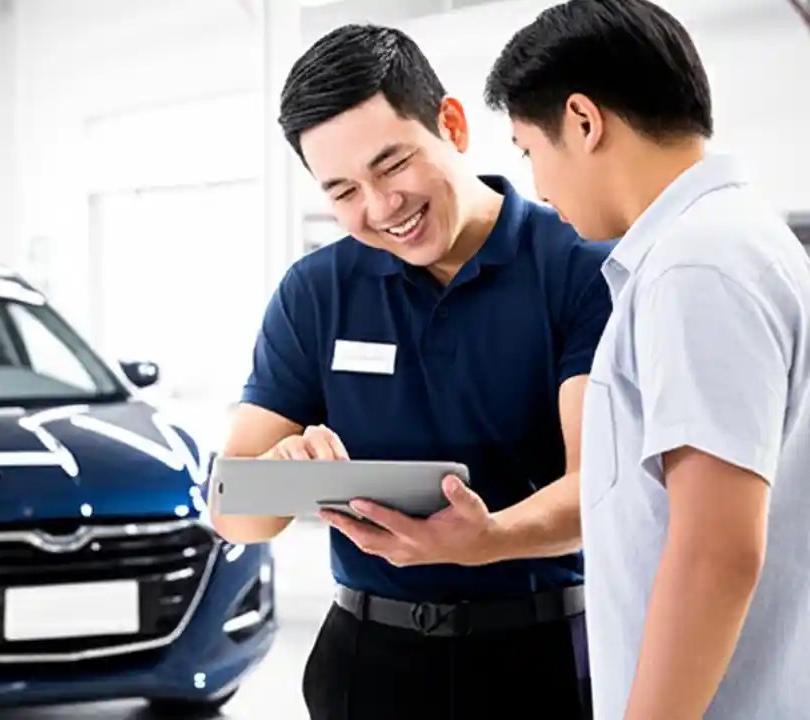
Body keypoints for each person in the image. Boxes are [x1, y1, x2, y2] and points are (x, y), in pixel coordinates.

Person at [208, 23, 613, 719]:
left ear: (451, 124)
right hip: (368, 663)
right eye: (343, 191)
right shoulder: (316, 291)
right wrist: (284, 469)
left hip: (542, 659)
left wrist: (487, 541)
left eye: (393, 166)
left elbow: (600, 490)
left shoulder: (577, 267)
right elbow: (230, 511)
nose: (380, 207)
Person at [484, 2, 810, 719]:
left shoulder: (698, 265)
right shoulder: (737, 244)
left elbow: (715, 553)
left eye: (528, 149)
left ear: (582, 120)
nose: (538, 187)